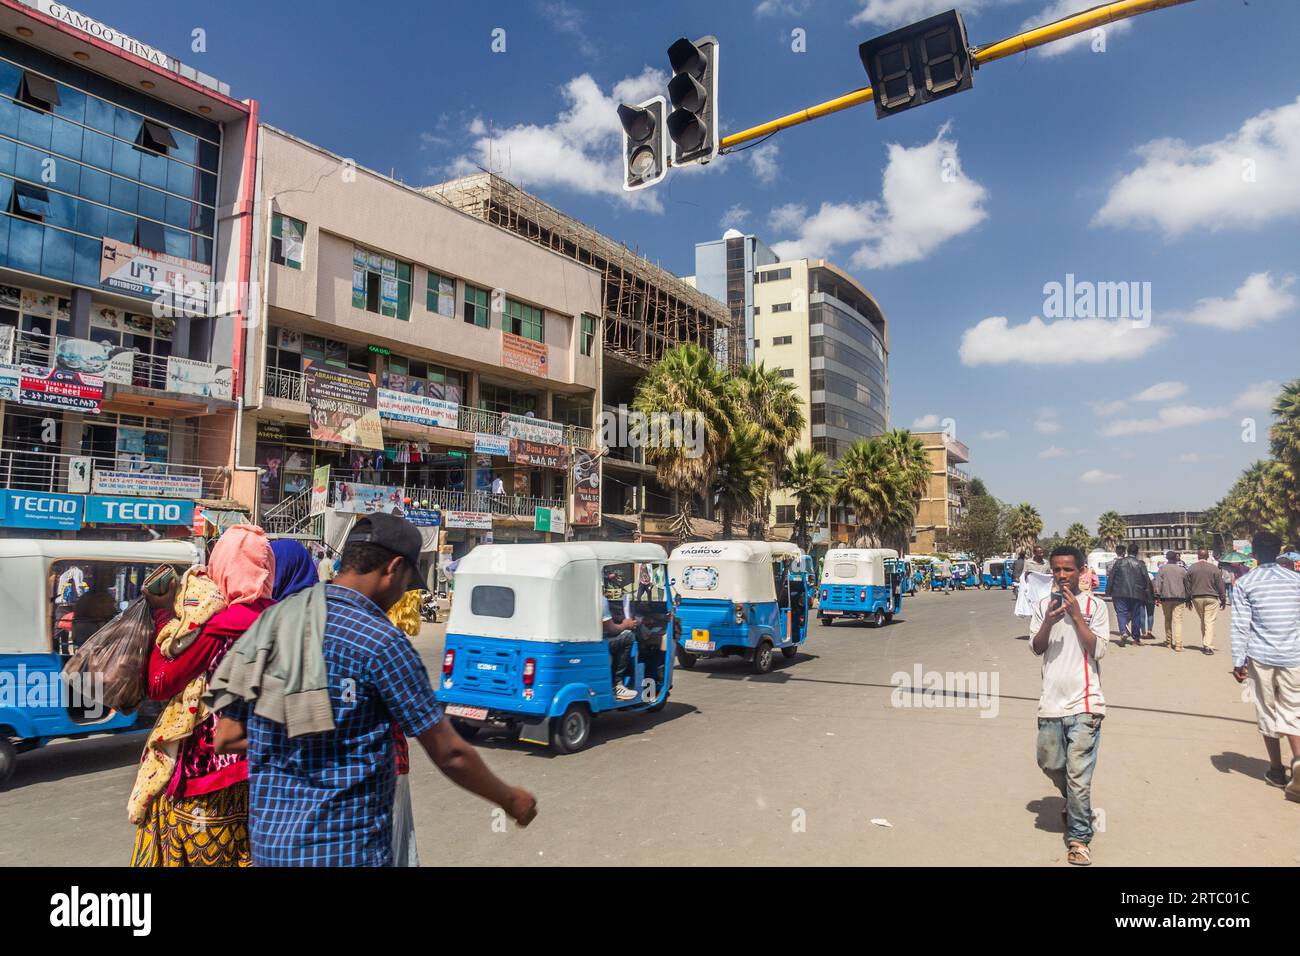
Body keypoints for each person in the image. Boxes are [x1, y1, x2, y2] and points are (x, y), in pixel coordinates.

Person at [212, 514, 536, 865]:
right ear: (394, 569)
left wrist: (304, 731)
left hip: (272, 849)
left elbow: (227, 736)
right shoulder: (380, 641)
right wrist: (510, 799)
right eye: (407, 584)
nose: (401, 596)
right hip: (343, 850)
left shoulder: (272, 621)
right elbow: (449, 753)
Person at [131, 524, 275, 867]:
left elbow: (159, 683)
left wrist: (163, 614)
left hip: (207, 785)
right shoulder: (290, 621)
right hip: (267, 783)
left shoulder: (218, 628)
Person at [1030, 545, 1109, 866]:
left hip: (1086, 702)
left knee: (1079, 775)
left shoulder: (1096, 606)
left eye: (1068, 570)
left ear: (1082, 571)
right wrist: (1049, 621)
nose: (1062, 576)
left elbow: (1098, 649)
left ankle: (1079, 839)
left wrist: (1077, 616)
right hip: (1050, 702)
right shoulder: (1041, 605)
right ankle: (1076, 803)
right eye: (1057, 570)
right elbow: (1036, 647)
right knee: (1049, 763)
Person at [1229, 531, 1300, 799]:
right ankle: (1298, 760)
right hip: (1295, 655)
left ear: (1254, 554)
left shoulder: (1246, 583)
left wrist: (1238, 661)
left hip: (1262, 657)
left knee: (1266, 709)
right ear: (1279, 550)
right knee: (1294, 708)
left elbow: (1240, 625)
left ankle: (1276, 770)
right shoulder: (1296, 580)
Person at [1107, 544, 1154, 646]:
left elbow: (1111, 577)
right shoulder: (1140, 564)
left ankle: (1123, 631)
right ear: (1137, 552)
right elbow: (1146, 579)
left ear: (1127, 551)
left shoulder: (1119, 563)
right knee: (1136, 615)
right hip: (1136, 593)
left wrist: (1108, 591)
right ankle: (1136, 640)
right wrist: (1149, 595)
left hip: (1119, 592)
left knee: (1121, 613)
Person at [602, 583, 640, 701]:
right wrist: (625, 625)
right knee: (628, 636)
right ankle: (616, 684)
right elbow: (610, 629)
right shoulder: (599, 599)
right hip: (597, 645)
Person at [1187, 549, 1227, 655]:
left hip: (1197, 598)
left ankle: (1205, 643)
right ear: (1207, 557)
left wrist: (1188, 599)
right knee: (1209, 621)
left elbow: (1188, 586)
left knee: (1204, 620)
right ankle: (1208, 646)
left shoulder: (1191, 568)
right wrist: (1223, 598)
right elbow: (1220, 585)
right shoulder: (1214, 568)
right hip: (1211, 597)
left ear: (1198, 556)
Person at [1153, 549, 1192, 652]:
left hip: (1165, 598)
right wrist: (1188, 598)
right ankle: (1178, 645)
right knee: (1178, 621)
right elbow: (1187, 585)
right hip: (1179, 598)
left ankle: (1168, 642)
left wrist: (1157, 597)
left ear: (1166, 559)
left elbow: (1158, 584)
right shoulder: (1182, 570)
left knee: (1167, 619)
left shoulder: (1162, 569)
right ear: (1176, 558)